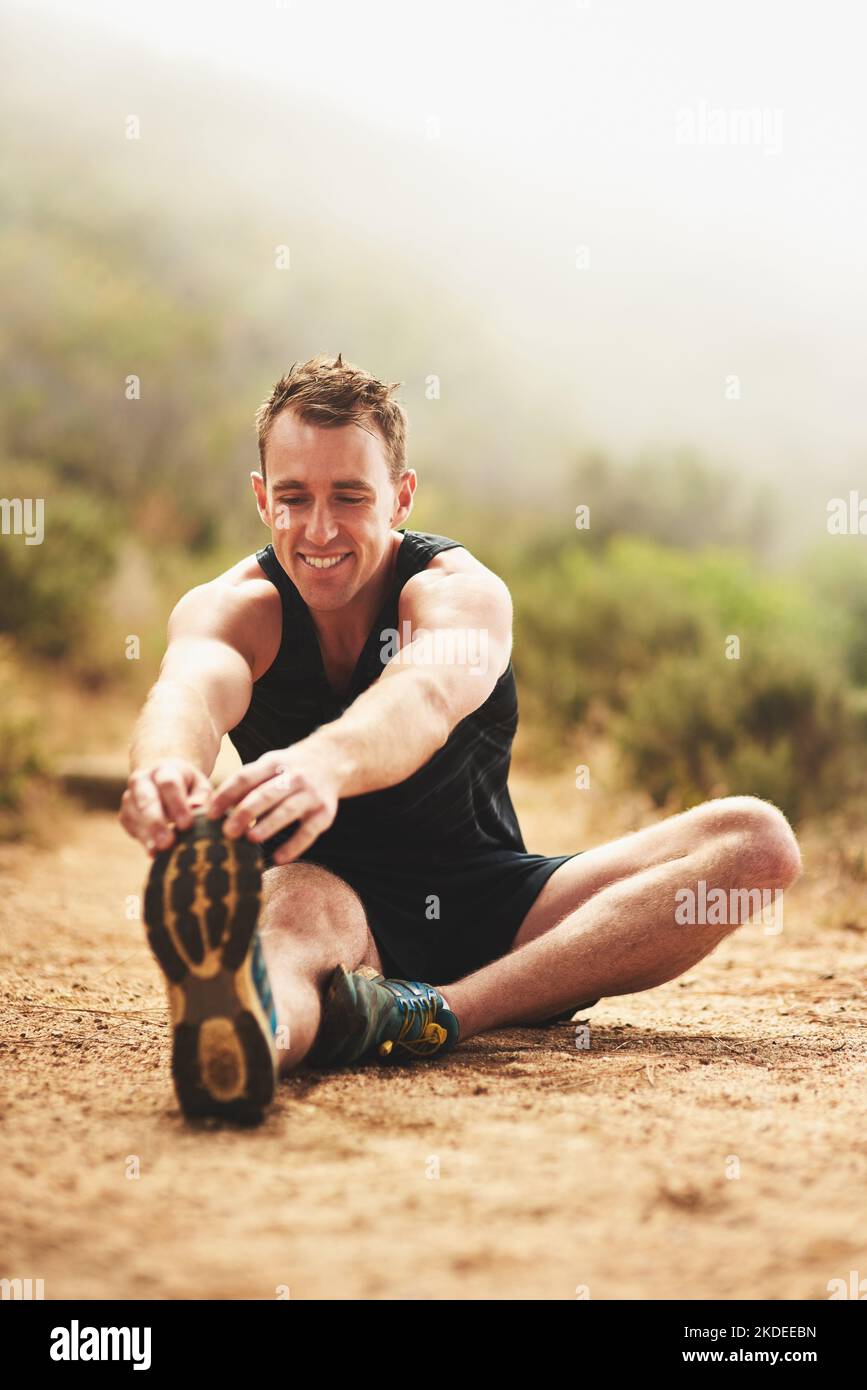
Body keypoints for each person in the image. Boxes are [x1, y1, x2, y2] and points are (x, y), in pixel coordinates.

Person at [119, 352, 802, 1123]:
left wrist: (322, 762)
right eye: (292, 497)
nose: (318, 528)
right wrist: (165, 771)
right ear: (259, 499)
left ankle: (436, 1010)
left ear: (400, 496)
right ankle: (243, 1043)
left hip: (503, 909)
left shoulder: (458, 593)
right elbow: (186, 692)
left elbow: (424, 696)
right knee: (289, 925)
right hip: (335, 910)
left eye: (349, 496)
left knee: (757, 842)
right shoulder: (235, 607)